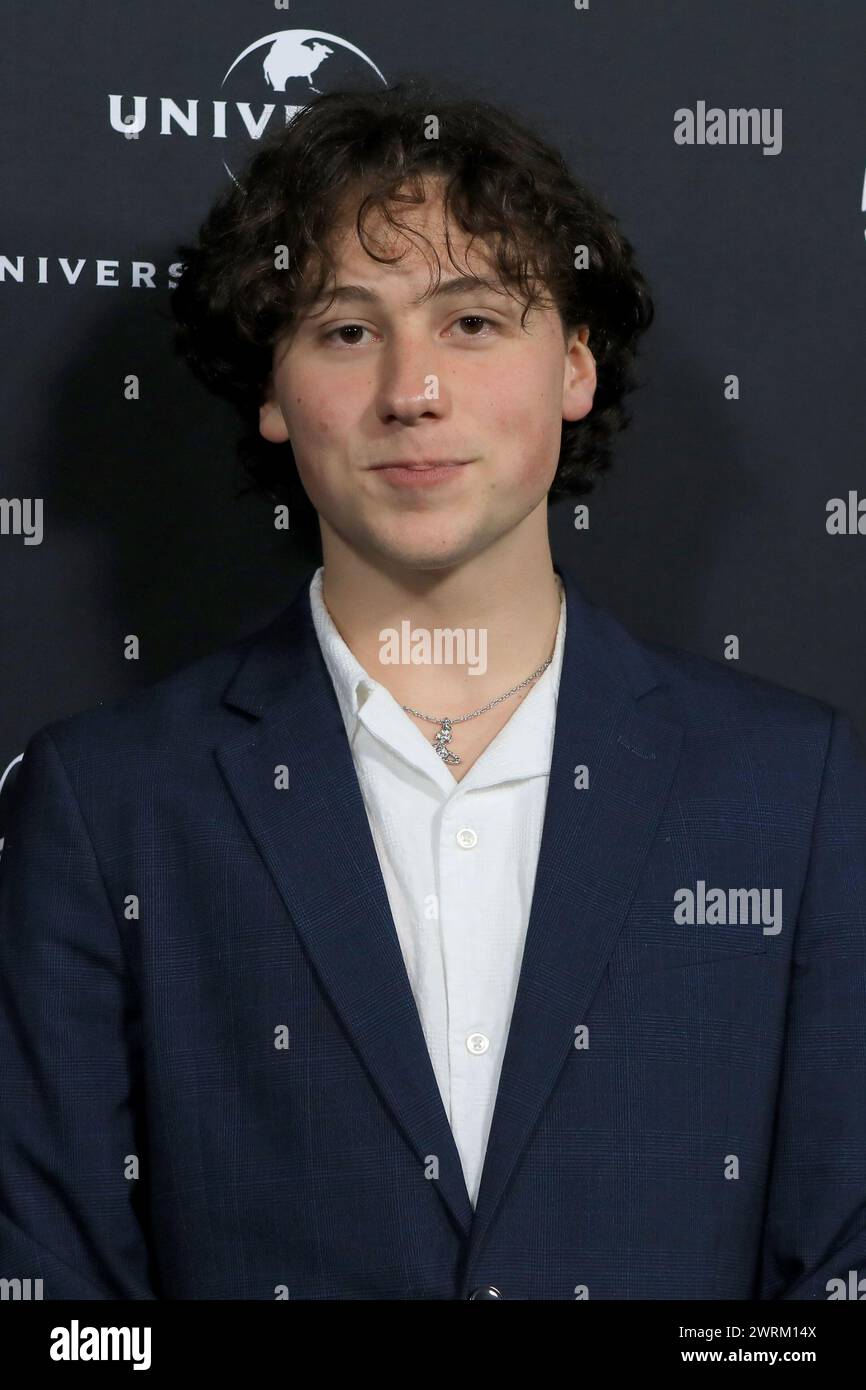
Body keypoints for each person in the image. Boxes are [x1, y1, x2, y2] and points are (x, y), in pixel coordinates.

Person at [1, 79, 865, 1301]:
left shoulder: (789, 789)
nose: (412, 389)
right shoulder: (108, 805)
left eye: (470, 322)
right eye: (347, 331)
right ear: (271, 388)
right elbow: (61, 1304)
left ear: (574, 363)